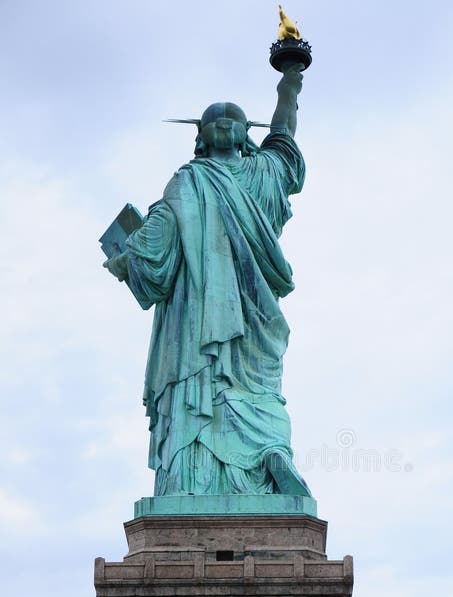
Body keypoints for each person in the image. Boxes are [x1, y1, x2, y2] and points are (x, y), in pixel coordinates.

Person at [104, 65, 311, 497]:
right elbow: (158, 240)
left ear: (242, 134)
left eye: (231, 117)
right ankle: (265, 457)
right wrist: (135, 254)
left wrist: (289, 84)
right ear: (203, 135)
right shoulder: (190, 182)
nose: (222, 120)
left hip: (226, 313)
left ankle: (214, 473)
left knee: (220, 384)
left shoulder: (251, 175)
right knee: (241, 389)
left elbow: (283, 133)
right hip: (205, 306)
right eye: (215, 117)